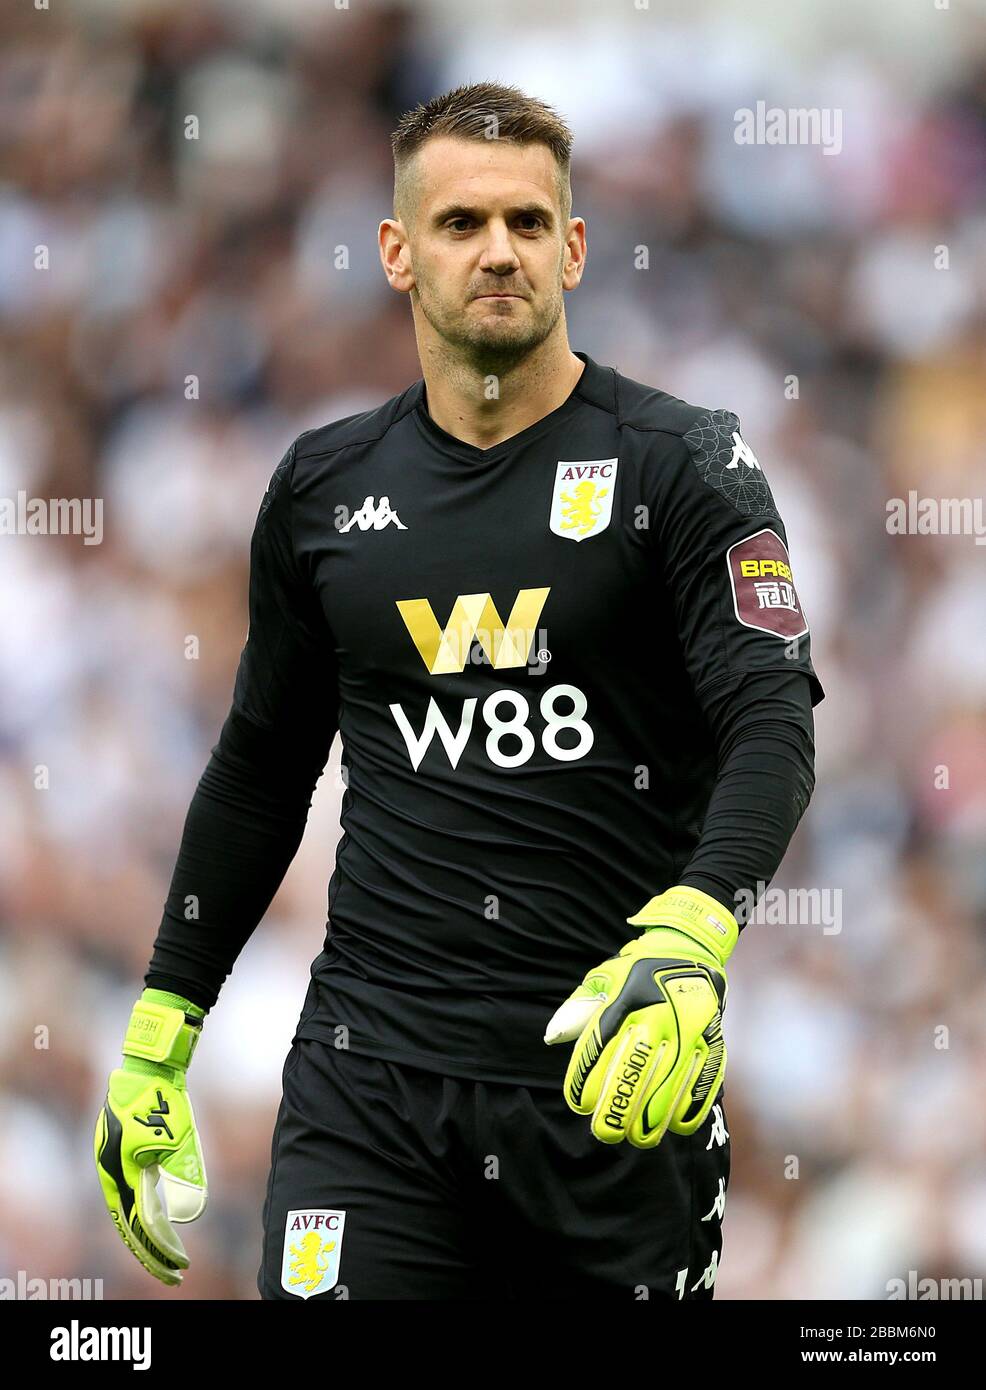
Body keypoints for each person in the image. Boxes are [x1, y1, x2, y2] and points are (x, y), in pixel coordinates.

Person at [94, 81, 823, 1301]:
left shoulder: (685, 465)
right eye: (461, 222)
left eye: (530, 224)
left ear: (574, 248)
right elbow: (261, 769)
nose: (499, 250)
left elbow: (773, 717)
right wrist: (160, 1030)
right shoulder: (323, 489)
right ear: (396, 251)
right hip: (367, 1087)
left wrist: (697, 929)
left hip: (608, 1085)